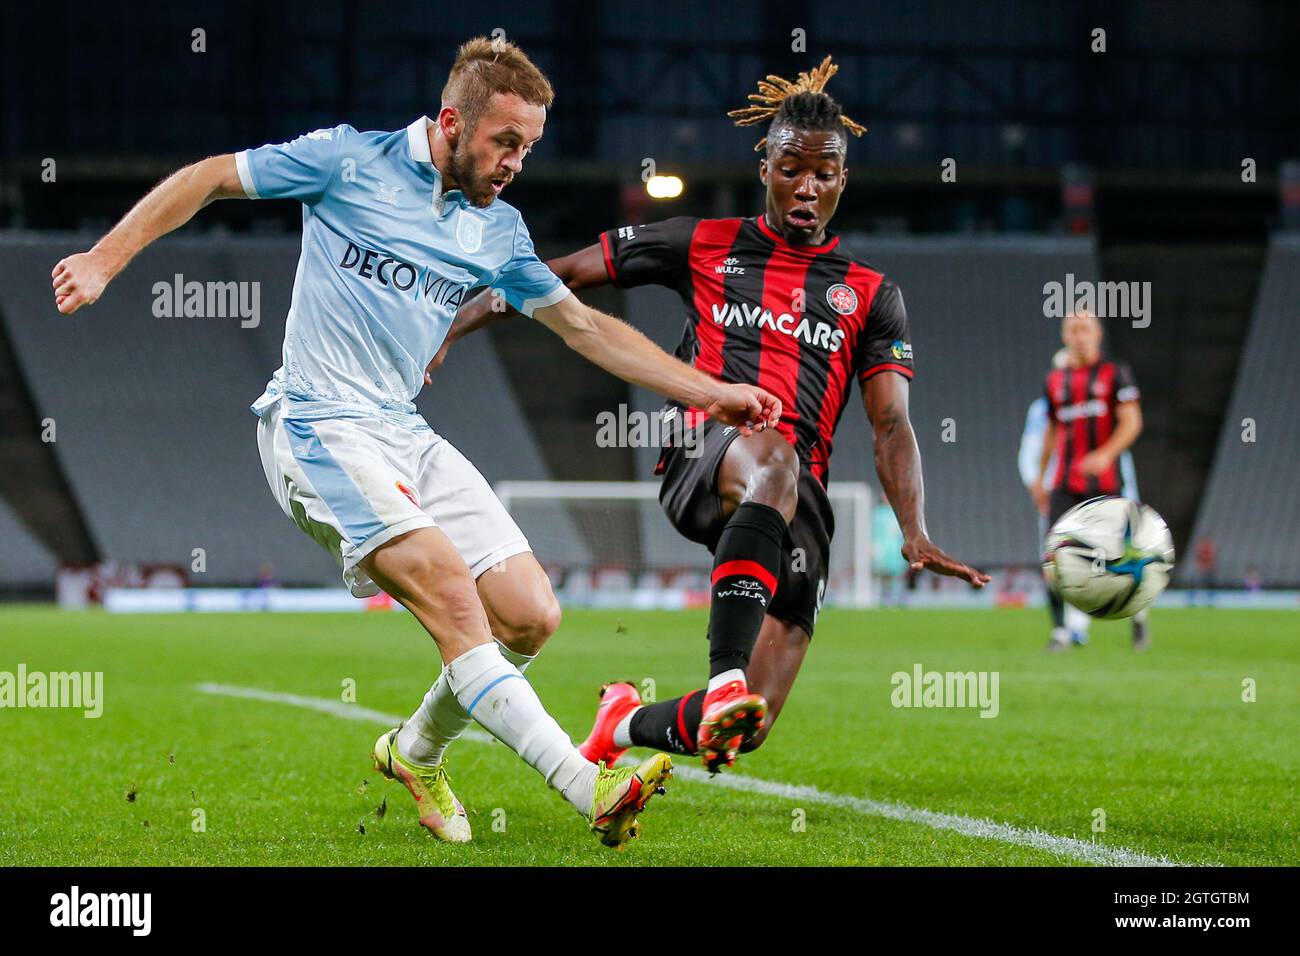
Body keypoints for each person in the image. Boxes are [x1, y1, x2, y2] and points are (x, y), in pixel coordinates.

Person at [49, 37, 781, 847]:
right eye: (505, 143)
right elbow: (212, 175)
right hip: (316, 424)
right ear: (451, 121)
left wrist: (711, 391)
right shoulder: (345, 161)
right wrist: (104, 258)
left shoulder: (498, 230)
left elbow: (582, 329)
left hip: (404, 430)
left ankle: (414, 752)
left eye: (527, 149)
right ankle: (588, 785)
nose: (515, 163)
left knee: (531, 614)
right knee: (450, 592)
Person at [438, 56, 988, 773]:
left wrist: (914, 531)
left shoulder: (872, 294)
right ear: (767, 166)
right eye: (793, 168)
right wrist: (451, 326)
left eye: (825, 174)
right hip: (707, 452)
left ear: (843, 182)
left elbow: (891, 426)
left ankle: (622, 725)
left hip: (800, 497)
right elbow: (556, 276)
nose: (807, 187)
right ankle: (724, 671)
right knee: (772, 453)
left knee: (745, 726)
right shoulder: (702, 243)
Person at [1029, 311, 1149, 650]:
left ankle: (1137, 616)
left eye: (1085, 329)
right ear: (1064, 336)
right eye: (1073, 330)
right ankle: (1060, 632)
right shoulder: (1055, 381)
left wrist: (1106, 454)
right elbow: (1051, 431)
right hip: (1065, 485)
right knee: (1054, 558)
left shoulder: (1115, 375)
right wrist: (1040, 478)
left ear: (1097, 335)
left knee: (1115, 561)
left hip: (1106, 485)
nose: (1079, 336)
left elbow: (1132, 422)